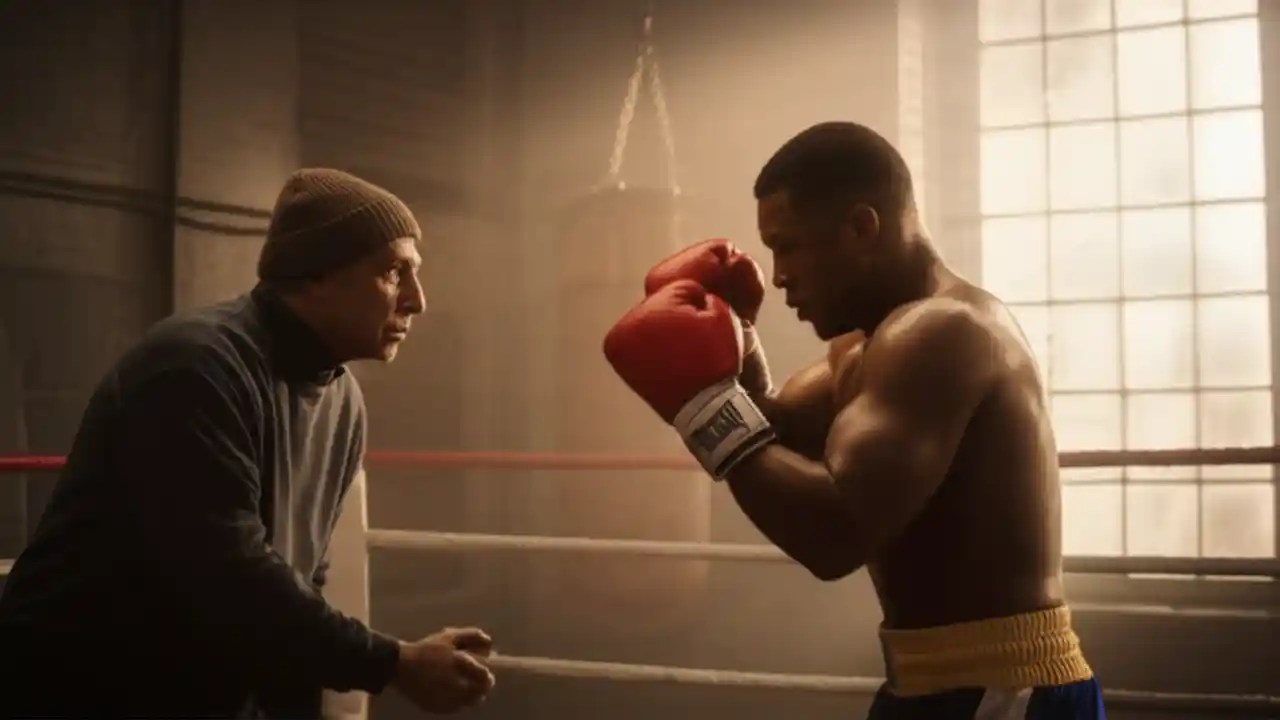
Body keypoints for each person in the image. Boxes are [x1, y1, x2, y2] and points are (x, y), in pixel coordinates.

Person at [605, 122, 1106, 719]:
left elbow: (833, 533)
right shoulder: (863, 351)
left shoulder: (944, 331)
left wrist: (705, 403)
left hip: (1003, 689)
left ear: (862, 227)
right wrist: (736, 340)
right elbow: (774, 438)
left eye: (788, 246)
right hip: (925, 684)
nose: (780, 274)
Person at [0, 168, 496, 717]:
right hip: (81, 690)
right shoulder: (194, 367)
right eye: (392, 273)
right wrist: (394, 663)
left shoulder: (342, 400)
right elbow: (228, 575)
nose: (417, 301)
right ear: (314, 275)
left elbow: (296, 582)